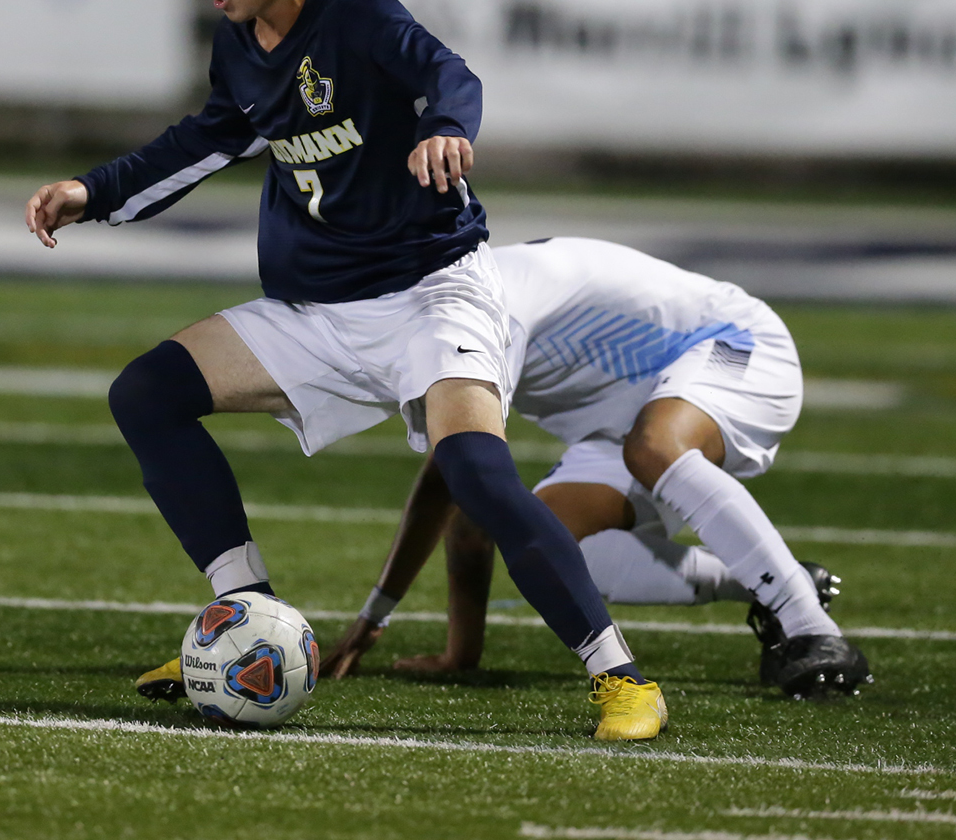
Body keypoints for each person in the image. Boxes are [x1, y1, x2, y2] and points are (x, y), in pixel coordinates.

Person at [25, 0, 666, 739]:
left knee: (476, 470)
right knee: (147, 393)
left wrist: (444, 126)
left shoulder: (358, 16)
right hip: (317, 315)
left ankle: (621, 677)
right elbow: (205, 140)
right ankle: (246, 617)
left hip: (431, 293)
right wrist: (93, 193)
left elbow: (452, 75)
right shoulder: (239, 46)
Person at [319, 238, 872, 698]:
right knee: (553, 541)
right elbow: (467, 503)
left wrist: (374, 618)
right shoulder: (443, 305)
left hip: (733, 343)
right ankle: (780, 582)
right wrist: (459, 655)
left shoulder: (480, 311)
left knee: (653, 446)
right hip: (629, 419)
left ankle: (812, 629)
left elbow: (446, 479)